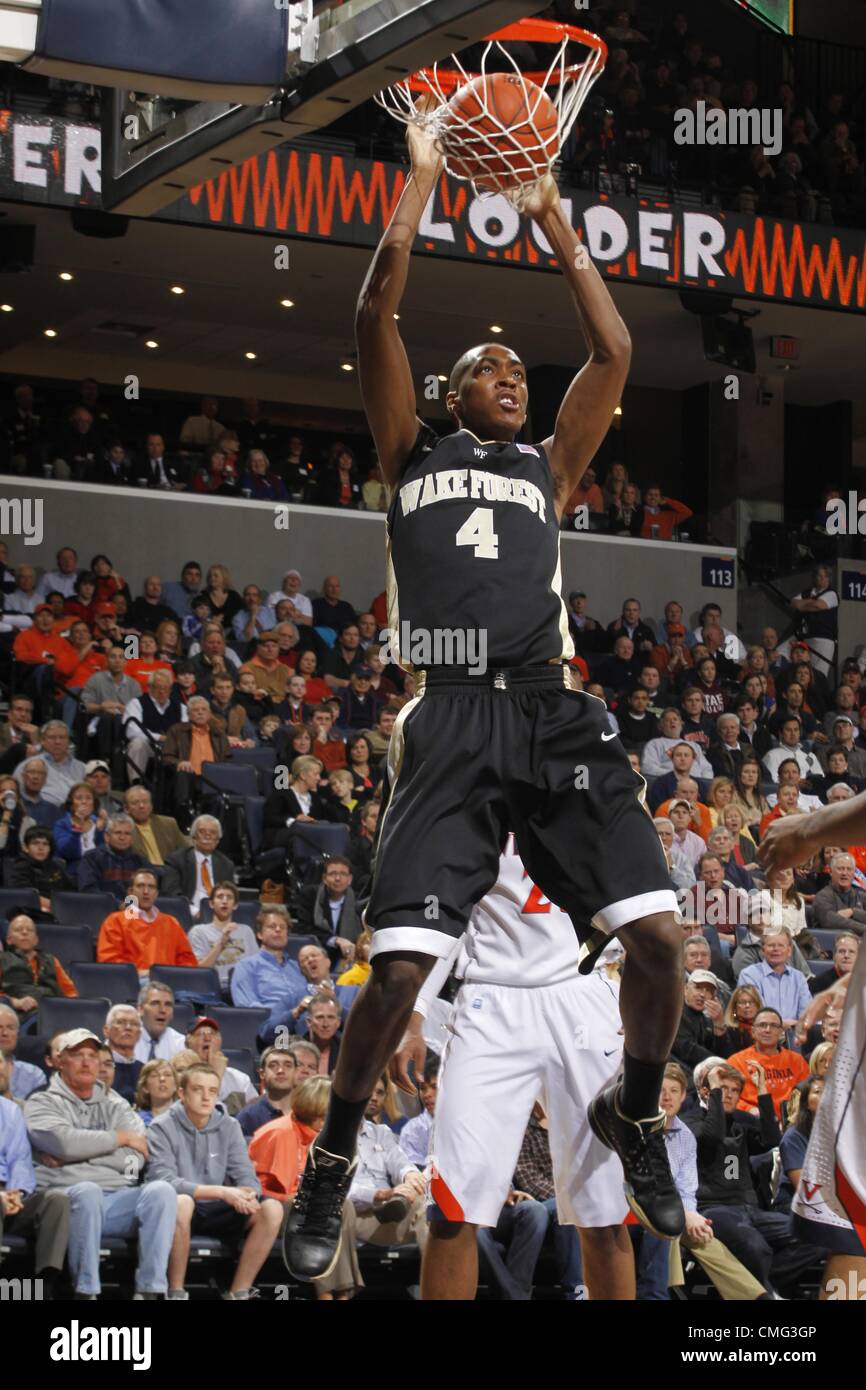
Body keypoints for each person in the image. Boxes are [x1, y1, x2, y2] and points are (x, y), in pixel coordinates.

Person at [285, 130, 683, 1283]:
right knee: (401, 972)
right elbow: (373, 316)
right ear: (452, 392)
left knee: (658, 940)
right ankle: (335, 1151)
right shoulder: (408, 451)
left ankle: (638, 1113)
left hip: (550, 709)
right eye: (488, 367)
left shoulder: (548, 469)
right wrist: (418, 176)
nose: (510, 375)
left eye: (519, 367)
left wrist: (554, 216)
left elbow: (608, 344)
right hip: (450, 706)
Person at [396, 839, 633, 1301]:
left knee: (603, 1210)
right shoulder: (469, 792)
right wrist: (416, 1010)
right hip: (490, 997)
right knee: (451, 1206)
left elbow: (641, 904)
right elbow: (444, 917)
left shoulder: (591, 783)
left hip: (582, 992)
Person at [23, 1028, 178, 1298]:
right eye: (77, 1055)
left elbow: (136, 1159)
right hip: (68, 1198)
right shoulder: (41, 1102)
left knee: (162, 1192)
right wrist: (119, 1138)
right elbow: (63, 1143)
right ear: (60, 1061)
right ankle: (86, 1291)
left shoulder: (115, 1104)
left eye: (92, 1056)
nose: (86, 1062)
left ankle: (150, 1291)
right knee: (88, 1190)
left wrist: (80, 1153)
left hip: (118, 1194)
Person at [145, 1060, 282, 1299]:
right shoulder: (161, 1126)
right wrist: (223, 1192)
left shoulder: (229, 1126)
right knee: (181, 1203)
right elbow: (164, 1180)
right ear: (182, 1093)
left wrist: (248, 1194)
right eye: (198, 1090)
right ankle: (175, 1291)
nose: (206, 1098)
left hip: (220, 1209)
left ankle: (238, 1292)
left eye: (212, 1091)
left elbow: (246, 1176)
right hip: (182, 1208)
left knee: (271, 1209)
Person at [682, 1060, 820, 1296]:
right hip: (713, 1209)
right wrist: (715, 1093)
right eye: (723, 1089)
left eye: (735, 1091)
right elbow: (711, 1137)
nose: (730, 1095)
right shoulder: (690, 1122)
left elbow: (771, 1139)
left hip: (750, 1208)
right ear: (707, 1092)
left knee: (817, 1234)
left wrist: (763, 1091)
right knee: (756, 1247)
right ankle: (764, 1291)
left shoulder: (741, 1122)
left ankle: (764, 1287)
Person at [637, 1064, 767, 1302]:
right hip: (639, 1208)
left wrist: (689, 1213)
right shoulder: (638, 1131)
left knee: (704, 1238)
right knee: (666, 1226)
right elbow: (646, 1185)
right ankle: (655, 1296)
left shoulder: (685, 1135)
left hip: (676, 1210)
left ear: (683, 1096)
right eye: (661, 1090)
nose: (667, 1097)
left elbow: (687, 1188)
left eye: (674, 1090)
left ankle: (756, 1296)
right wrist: (684, 1214)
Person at [249, 1075, 361, 1299]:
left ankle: (341, 1294)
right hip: (270, 1210)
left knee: (342, 1206)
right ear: (316, 1111)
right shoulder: (279, 1132)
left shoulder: (325, 1140)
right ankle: (328, 1295)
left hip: (308, 1207)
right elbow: (260, 1188)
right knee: (323, 1206)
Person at [0, 1081, 70, 1296]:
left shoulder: (9, 1110)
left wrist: (17, 1192)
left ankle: (44, 1286)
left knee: (56, 1201)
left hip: (10, 1197)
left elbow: (20, 1159)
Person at [97, 868, 197, 976]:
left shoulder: (171, 922)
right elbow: (110, 962)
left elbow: (187, 960)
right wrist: (144, 974)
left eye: (151, 887)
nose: (146, 891)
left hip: (170, 983)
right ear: (130, 892)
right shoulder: (115, 921)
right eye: (140, 886)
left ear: (156, 893)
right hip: (133, 983)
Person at [229, 907, 306, 1028]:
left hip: (305, 1024)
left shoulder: (298, 967)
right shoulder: (246, 966)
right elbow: (247, 1006)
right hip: (272, 1026)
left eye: (283, 927)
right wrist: (288, 1014)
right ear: (259, 934)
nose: (278, 930)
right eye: (272, 926)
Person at [727, 1007, 810, 1118]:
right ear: (753, 1031)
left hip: (792, 1121)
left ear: (781, 1032)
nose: (767, 1030)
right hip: (753, 1122)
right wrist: (749, 1109)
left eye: (774, 1026)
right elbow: (728, 1095)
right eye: (762, 1025)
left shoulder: (797, 1061)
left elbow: (807, 1094)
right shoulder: (736, 1062)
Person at [0, 913, 76, 1018]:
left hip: (52, 1016)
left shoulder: (51, 961)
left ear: (36, 939)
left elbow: (71, 995)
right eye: (18, 930)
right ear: (9, 939)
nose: (24, 932)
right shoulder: (2, 959)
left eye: (29, 930)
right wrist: (14, 1002)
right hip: (14, 1017)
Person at [737, 929, 812, 1034]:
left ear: (789, 951)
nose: (776, 949)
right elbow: (757, 1014)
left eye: (781, 945)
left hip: (795, 1037)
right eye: (771, 945)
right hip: (761, 1035)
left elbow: (807, 1014)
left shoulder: (798, 978)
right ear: (762, 950)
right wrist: (783, 1024)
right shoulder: (749, 975)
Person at [160, 815, 236, 915]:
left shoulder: (226, 864)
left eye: (213, 833)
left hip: (218, 914)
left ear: (217, 840)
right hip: (188, 913)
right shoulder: (176, 860)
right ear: (194, 837)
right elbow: (172, 893)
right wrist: (194, 911)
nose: (207, 836)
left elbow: (230, 895)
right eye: (202, 831)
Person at [188, 881, 258, 989]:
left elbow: (256, 967)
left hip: (243, 986)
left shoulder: (246, 931)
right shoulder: (198, 931)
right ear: (211, 904)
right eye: (220, 897)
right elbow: (199, 971)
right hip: (212, 987)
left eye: (229, 897)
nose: (224, 901)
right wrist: (221, 943)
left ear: (235, 905)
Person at [295, 857, 362, 965]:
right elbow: (302, 929)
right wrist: (335, 940)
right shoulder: (310, 895)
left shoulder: (358, 901)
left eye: (343, 874)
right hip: (316, 955)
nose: (338, 878)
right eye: (332, 874)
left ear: (350, 879)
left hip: (349, 957)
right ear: (324, 878)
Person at [185, 1017, 256, 1111]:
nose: (207, 1038)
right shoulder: (181, 1075)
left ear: (220, 1041)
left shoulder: (240, 1079)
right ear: (188, 1043)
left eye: (212, 1034)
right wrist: (217, 1075)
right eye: (200, 1034)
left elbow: (255, 1112)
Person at [235, 1045, 300, 1138]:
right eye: (273, 1065)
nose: (281, 1070)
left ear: (296, 1072)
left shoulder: (309, 1112)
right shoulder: (248, 1116)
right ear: (262, 1074)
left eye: (288, 1066)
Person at [77, 813, 145, 900]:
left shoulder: (139, 860)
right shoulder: (91, 858)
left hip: (132, 909)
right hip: (101, 909)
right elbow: (88, 890)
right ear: (107, 836)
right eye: (118, 833)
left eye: (127, 834)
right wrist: (117, 904)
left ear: (132, 838)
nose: (122, 837)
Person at [672, 971, 733, 1069]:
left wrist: (719, 1024)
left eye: (708, 991)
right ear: (685, 989)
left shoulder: (707, 1020)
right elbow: (687, 1050)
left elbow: (725, 1054)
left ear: (713, 998)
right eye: (698, 987)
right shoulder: (674, 1013)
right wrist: (720, 1064)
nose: (703, 994)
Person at [123, 785, 189, 866]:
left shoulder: (168, 823)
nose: (141, 806)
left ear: (151, 806)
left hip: (170, 873)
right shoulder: (123, 828)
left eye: (145, 802)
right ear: (126, 809)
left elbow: (187, 851)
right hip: (141, 874)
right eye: (135, 803)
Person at [812, 852, 866, 935]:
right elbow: (830, 921)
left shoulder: (861, 895)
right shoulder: (822, 896)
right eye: (840, 869)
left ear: (854, 873)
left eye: (849, 869)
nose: (844, 873)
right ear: (831, 872)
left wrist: (854, 912)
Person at [0, 1003, 45, 1100]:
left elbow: (39, 1111)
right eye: (0, 1027)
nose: (5, 1033)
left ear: (17, 1034)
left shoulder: (34, 1074)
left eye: (10, 1027)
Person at [134, 982, 187, 1062]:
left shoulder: (180, 1044)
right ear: (140, 1009)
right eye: (155, 1003)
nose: (163, 1010)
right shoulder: (126, 1039)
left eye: (168, 1005)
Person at [102, 1003, 144, 1103]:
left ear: (139, 1034)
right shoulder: (95, 1065)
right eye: (121, 1022)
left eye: (134, 1024)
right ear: (106, 1030)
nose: (128, 1027)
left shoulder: (144, 1070)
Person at [135, 1059, 179, 1126]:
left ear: (175, 1085)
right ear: (145, 1087)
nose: (162, 1079)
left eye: (167, 1075)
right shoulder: (138, 1121)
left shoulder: (188, 1116)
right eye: (154, 1075)